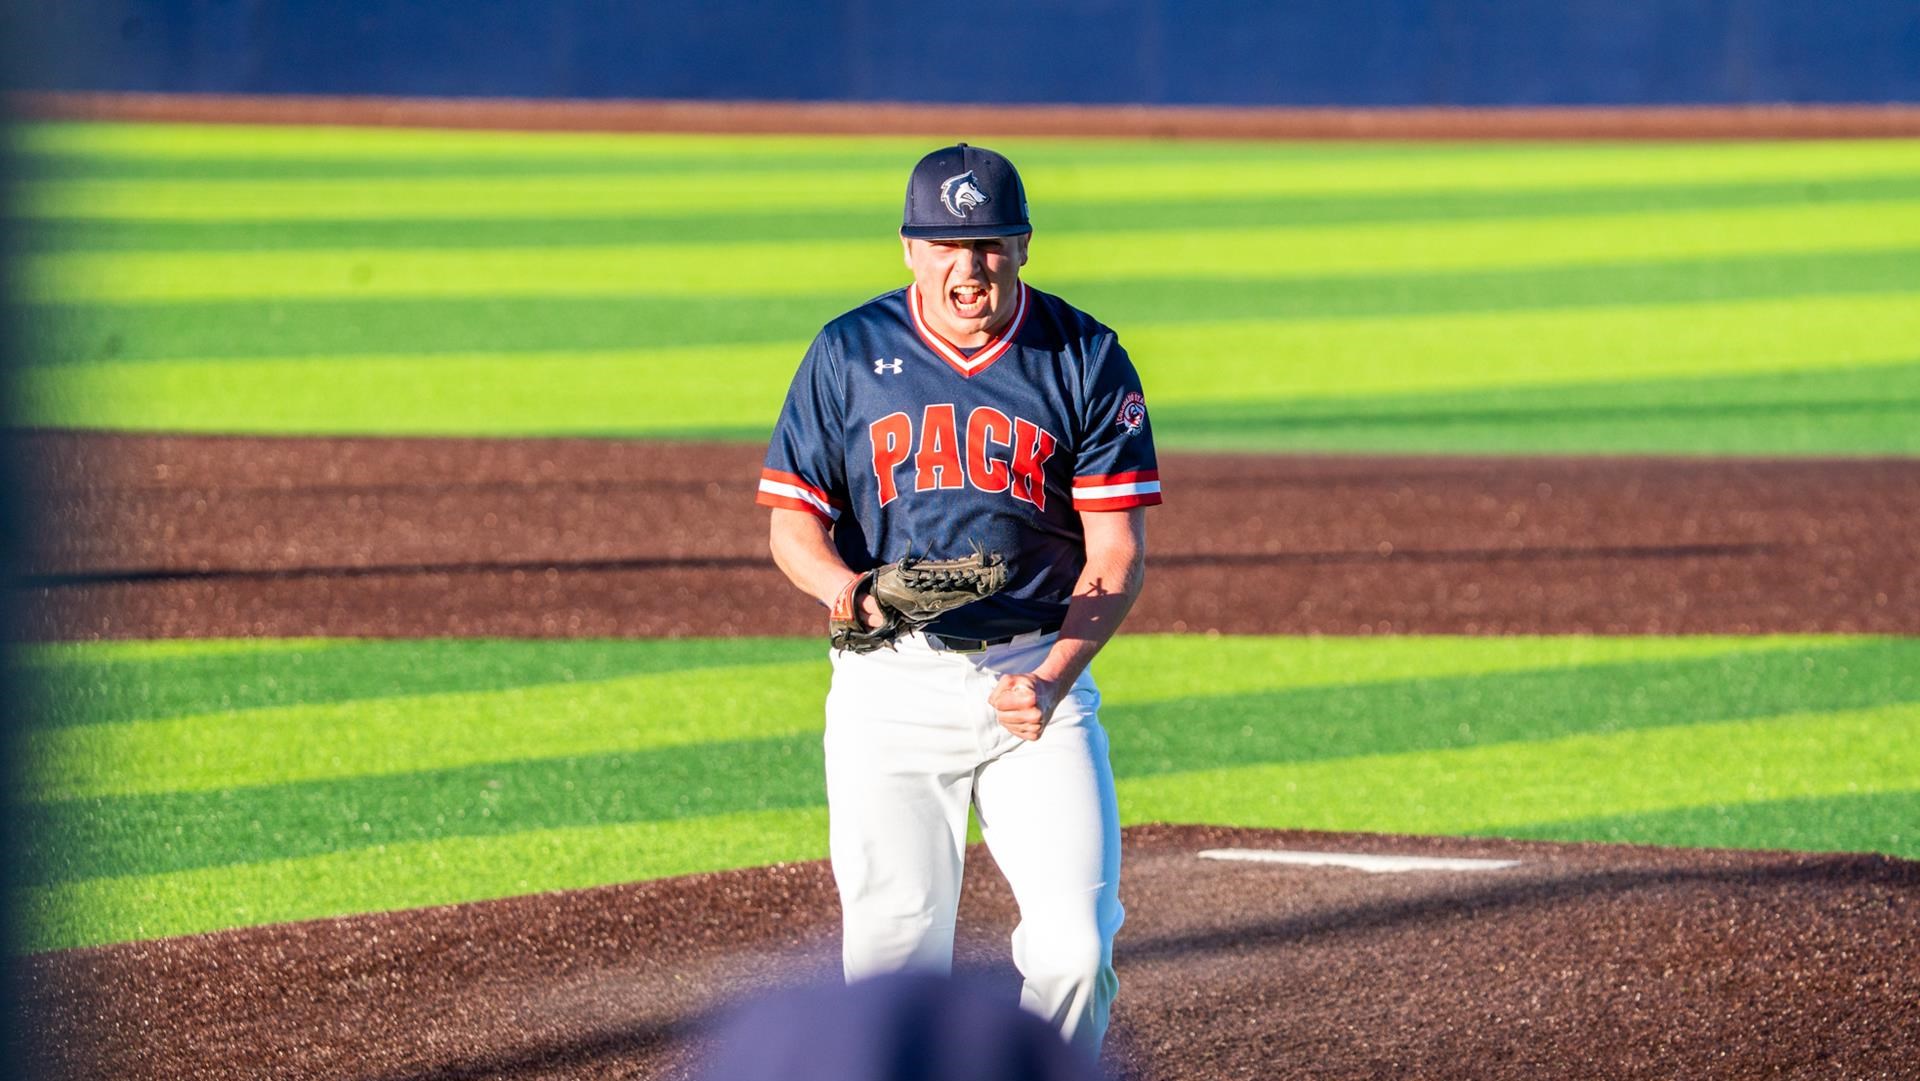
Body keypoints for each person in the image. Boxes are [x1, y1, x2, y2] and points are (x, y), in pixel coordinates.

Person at [755, 143, 1160, 1053]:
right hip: (889, 688)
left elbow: (1117, 552)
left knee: (1074, 949)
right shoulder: (848, 352)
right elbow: (792, 527)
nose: (967, 267)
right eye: (944, 243)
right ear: (909, 248)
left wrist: (1056, 675)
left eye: (987, 244)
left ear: (1021, 246)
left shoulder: (1085, 356)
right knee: (892, 966)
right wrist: (845, 590)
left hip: (1035, 679)